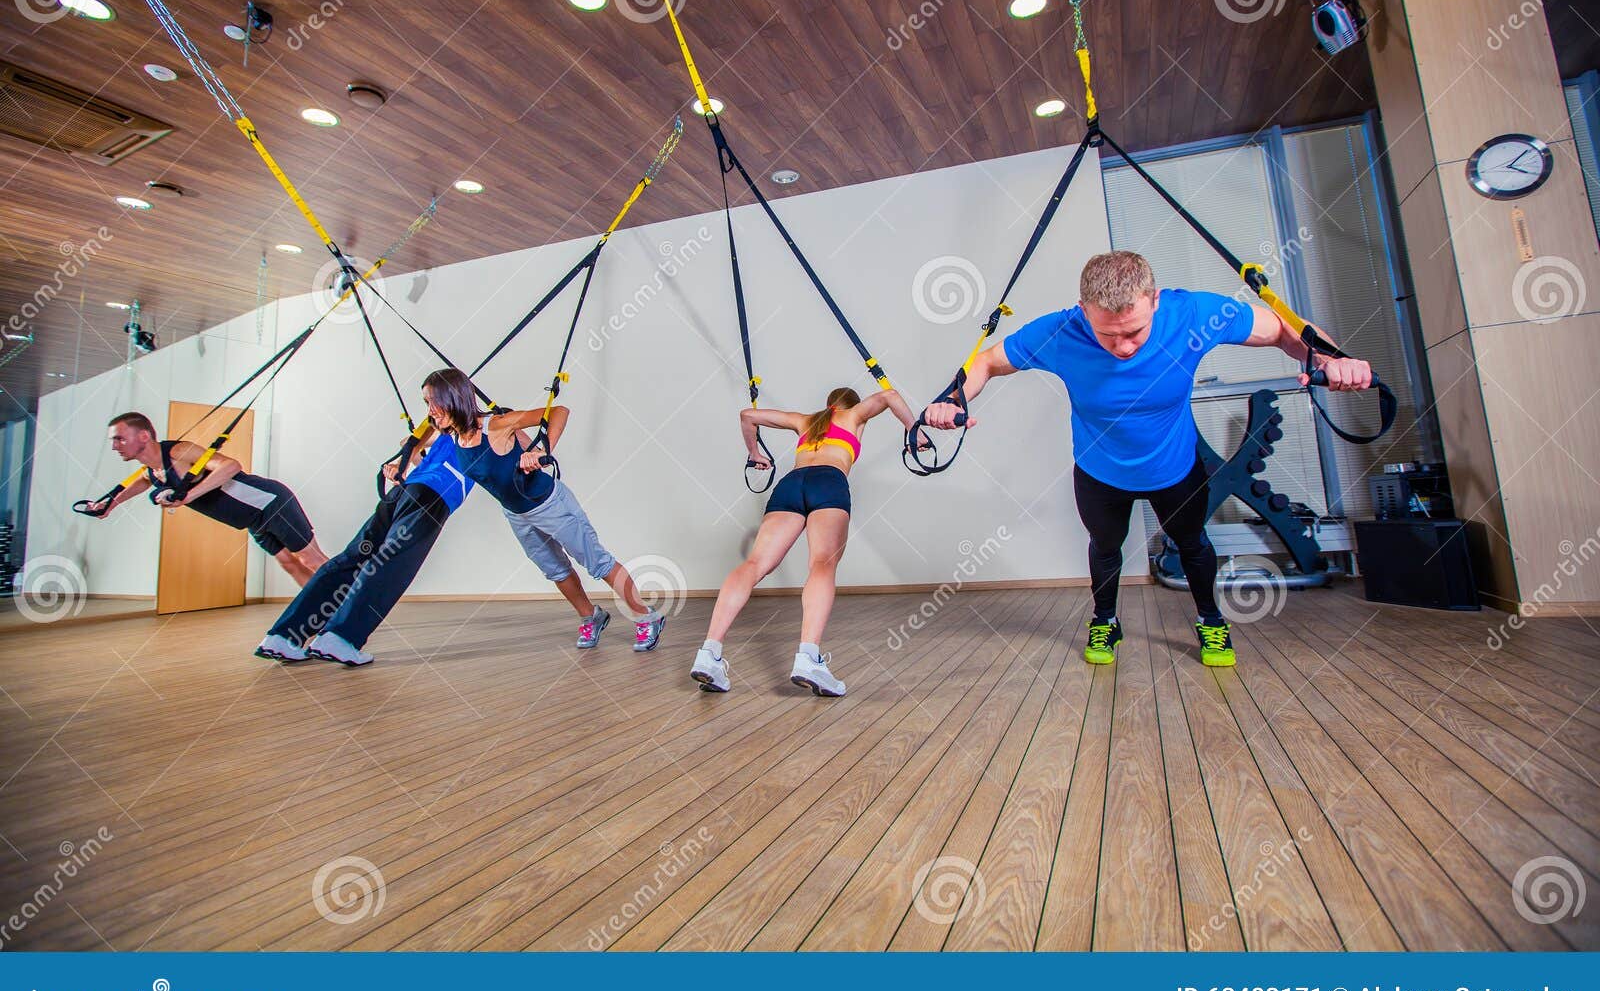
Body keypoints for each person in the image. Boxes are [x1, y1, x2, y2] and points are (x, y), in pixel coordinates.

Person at [920, 250, 1374, 668]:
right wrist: (951, 398)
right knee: (1105, 547)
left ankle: (1211, 622)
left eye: (1134, 332)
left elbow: (1279, 328)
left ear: (1155, 301)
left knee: (1192, 543)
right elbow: (987, 362)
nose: (1123, 347)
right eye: (1108, 335)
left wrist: (1333, 358)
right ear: (1083, 312)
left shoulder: (1190, 314)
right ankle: (1105, 621)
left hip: (1174, 468)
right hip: (1101, 471)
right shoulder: (1061, 332)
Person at [690, 384, 922, 697]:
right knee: (822, 563)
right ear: (848, 407)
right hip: (828, 482)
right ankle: (808, 657)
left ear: (828, 405)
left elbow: (747, 415)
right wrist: (914, 432)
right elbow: (889, 395)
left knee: (755, 563)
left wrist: (755, 454)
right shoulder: (854, 415)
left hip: (791, 484)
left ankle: (709, 652)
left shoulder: (805, 421)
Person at [420, 366, 666, 652]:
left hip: (550, 505)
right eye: (426, 403)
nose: (429, 411)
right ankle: (591, 616)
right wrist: (398, 465)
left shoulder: (497, 425)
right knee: (555, 570)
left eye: (432, 402)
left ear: (452, 398)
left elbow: (559, 411)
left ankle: (646, 617)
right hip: (516, 515)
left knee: (596, 562)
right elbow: (413, 447)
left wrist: (540, 450)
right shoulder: (452, 436)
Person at [254, 426, 473, 666]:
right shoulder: (481, 428)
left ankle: (283, 637)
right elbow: (517, 432)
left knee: (351, 559)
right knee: (392, 568)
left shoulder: (447, 431)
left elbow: (407, 442)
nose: (432, 411)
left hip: (403, 493)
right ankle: (340, 638)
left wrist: (406, 461)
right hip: (431, 499)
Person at [88, 412, 328, 585]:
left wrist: (187, 496)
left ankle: (356, 607)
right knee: (289, 564)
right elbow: (138, 484)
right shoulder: (152, 471)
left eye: (120, 438)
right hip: (253, 518)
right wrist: (109, 505)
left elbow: (231, 465)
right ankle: (326, 613)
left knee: (310, 558)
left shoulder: (179, 452)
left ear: (142, 436)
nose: (115, 446)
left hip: (268, 501)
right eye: (113, 441)